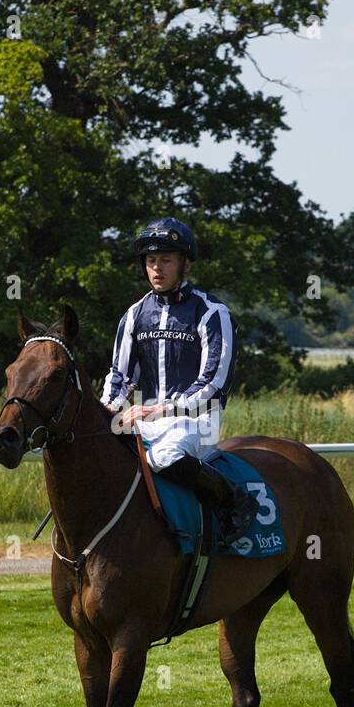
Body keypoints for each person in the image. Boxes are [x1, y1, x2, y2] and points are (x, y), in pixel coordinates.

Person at [100, 217, 260, 546]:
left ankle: (234, 503)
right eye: (151, 260)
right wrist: (107, 413)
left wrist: (161, 409)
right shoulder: (133, 314)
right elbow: (120, 376)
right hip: (146, 419)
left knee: (164, 457)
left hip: (197, 421)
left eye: (166, 260)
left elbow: (214, 384)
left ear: (185, 264)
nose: (156, 268)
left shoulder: (213, 312)